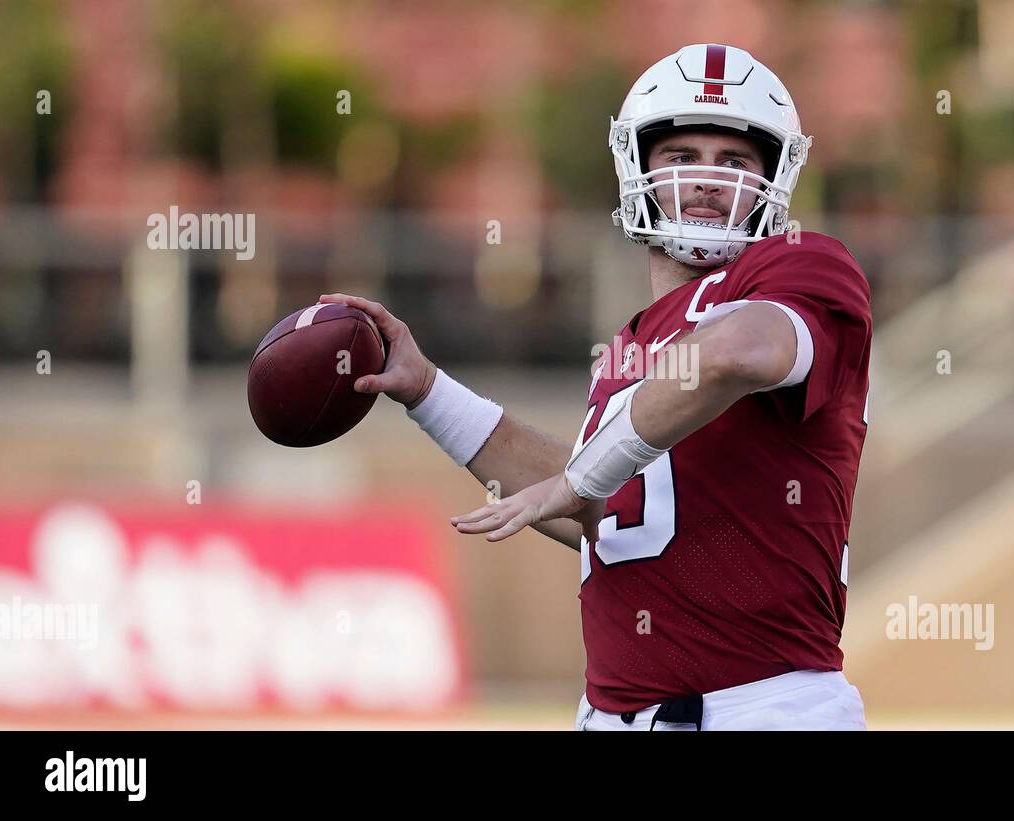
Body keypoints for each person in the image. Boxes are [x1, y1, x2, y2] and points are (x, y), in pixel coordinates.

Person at [320, 43, 872, 730]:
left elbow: (737, 351)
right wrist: (428, 391)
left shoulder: (803, 265)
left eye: (733, 161)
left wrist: (584, 477)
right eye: (681, 158)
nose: (707, 180)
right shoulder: (632, 344)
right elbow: (612, 505)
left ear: (775, 179)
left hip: (759, 710)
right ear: (637, 168)